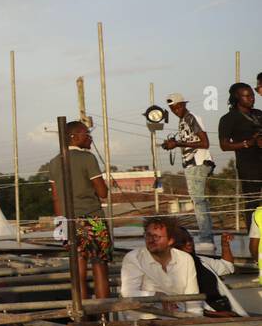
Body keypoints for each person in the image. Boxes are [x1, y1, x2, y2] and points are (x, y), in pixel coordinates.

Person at [47, 120, 111, 301]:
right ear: (73, 137)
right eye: (86, 134)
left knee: (78, 268)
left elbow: (56, 197)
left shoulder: (53, 162)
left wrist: (61, 224)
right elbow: (102, 192)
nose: (90, 138)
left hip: (68, 221)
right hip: (93, 218)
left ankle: (82, 312)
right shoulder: (88, 158)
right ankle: (103, 314)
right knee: (99, 266)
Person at [160, 93, 215, 249]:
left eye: (178, 106)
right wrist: (174, 143)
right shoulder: (183, 121)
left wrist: (177, 144)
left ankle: (206, 239)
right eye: (172, 108)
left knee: (198, 202)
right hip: (190, 164)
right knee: (199, 201)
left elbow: (205, 143)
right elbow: (188, 141)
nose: (176, 110)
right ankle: (207, 237)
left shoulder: (192, 118)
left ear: (183, 104)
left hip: (198, 163)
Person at [119, 217, 200, 307]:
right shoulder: (134, 258)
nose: (151, 240)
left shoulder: (185, 259)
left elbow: (193, 299)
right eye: (148, 235)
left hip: (180, 316)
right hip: (145, 317)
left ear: (170, 240)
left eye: (156, 237)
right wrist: (155, 295)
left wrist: (195, 318)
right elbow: (128, 292)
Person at [171, 226, 247, 317]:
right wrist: (217, 315)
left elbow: (227, 267)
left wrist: (225, 245)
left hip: (228, 311)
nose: (189, 243)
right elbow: (180, 307)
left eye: (190, 239)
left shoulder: (201, 260)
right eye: (183, 241)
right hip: (207, 320)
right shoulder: (170, 270)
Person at [217, 82, 262, 221]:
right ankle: (254, 237)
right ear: (237, 98)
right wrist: (248, 143)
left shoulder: (259, 114)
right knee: (252, 204)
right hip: (249, 167)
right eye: (247, 96)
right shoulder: (228, 119)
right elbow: (224, 145)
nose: (252, 99)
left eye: (253, 96)